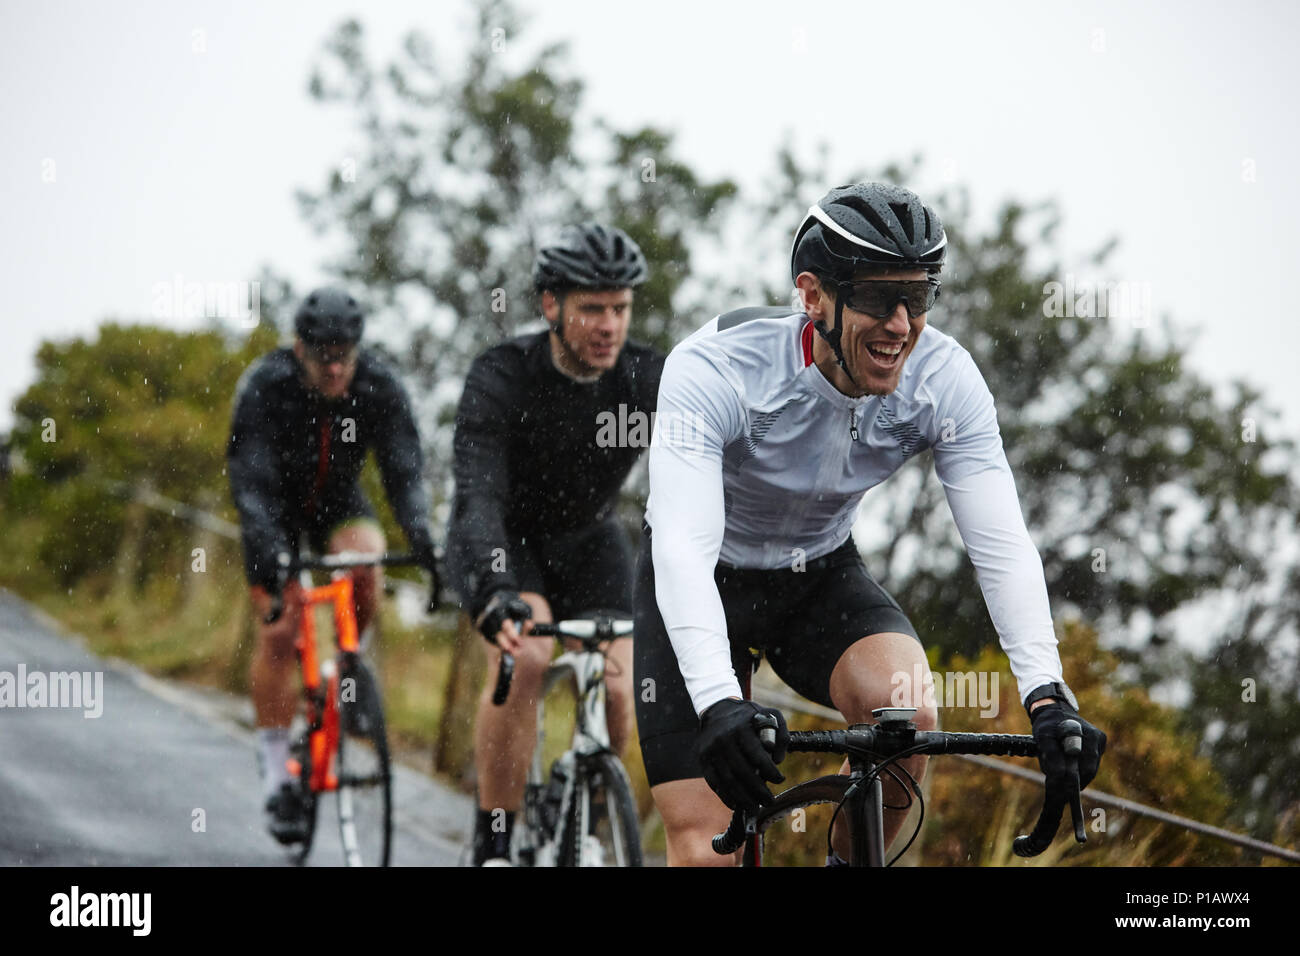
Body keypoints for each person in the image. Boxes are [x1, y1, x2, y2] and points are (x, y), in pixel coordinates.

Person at [634, 182, 1107, 866]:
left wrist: (1046, 694)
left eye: (918, 298)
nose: (900, 325)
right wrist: (716, 701)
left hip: (816, 577)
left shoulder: (944, 379)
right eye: (879, 298)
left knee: (908, 717)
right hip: (703, 579)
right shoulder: (716, 369)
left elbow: (1002, 546)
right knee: (710, 850)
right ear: (813, 295)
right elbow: (682, 548)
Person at [446, 224, 665, 866]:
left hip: (592, 538)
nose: (609, 325)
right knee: (529, 658)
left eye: (619, 308)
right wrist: (495, 590)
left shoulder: (644, 379)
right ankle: (493, 843)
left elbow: (718, 461)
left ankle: (591, 822)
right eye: (592, 308)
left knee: (621, 684)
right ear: (551, 306)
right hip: (507, 541)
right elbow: (477, 494)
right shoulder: (502, 376)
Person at [226, 286, 439, 844]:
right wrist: (276, 558)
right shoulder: (266, 386)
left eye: (345, 353)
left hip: (339, 503)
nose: (336, 366)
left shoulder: (378, 384)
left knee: (365, 565)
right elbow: (249, 481)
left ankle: (346, 674)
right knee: (283, 627)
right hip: (274, 510)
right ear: (299, 347)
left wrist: (421, 534)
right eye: (324, 355)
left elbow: (404, 469)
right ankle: (277, 775)